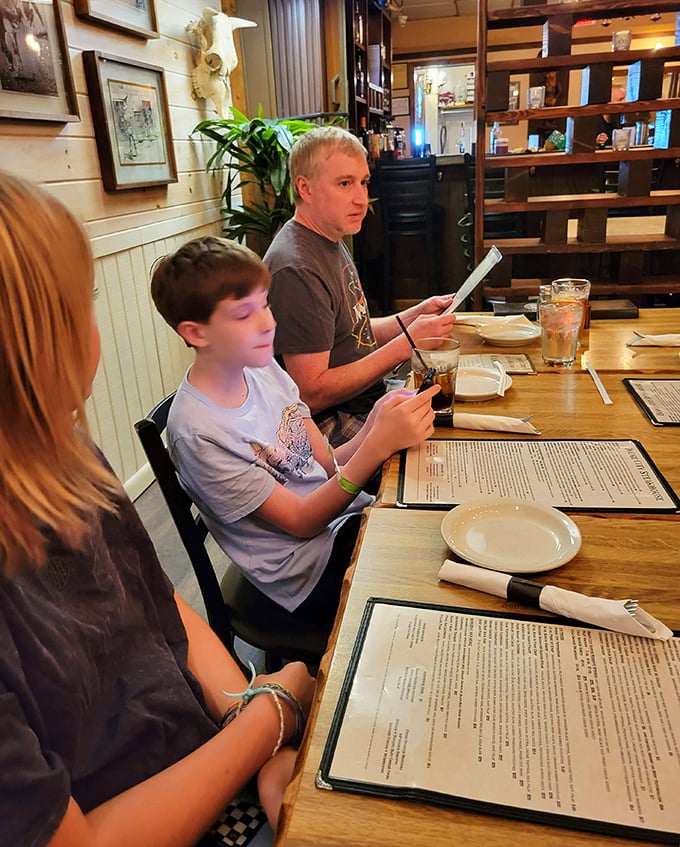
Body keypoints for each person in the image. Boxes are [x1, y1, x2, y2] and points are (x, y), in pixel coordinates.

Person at [0, 170, 316, 847]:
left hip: (206, 755)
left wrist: (247, 721)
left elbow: (157, 606)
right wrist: (271, 714)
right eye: (80, 304)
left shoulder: (65, 450)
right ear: (26, 345)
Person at [150, 236, 438, 628]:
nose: (268, 323)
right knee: (431, 569)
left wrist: (375, 424)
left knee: (432, 519)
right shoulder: (199, 432)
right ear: (196, 333)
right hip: (304, 574)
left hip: (340, 522)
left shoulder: (262, 367)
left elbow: (326, 464)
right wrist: (376, 447)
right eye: (244, 314)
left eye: (265, 304)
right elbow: (303, 521)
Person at [264, 125, 457, 447]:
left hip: (367, 400)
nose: (361, 199)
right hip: (331, 424)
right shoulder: (296, 268)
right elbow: (311, 392)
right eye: (344, 184)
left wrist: (412, 316)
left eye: (363, 182)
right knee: (449, 453)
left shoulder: (328, 236)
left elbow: (354, 332)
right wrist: (408, 343)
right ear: (305, 188)